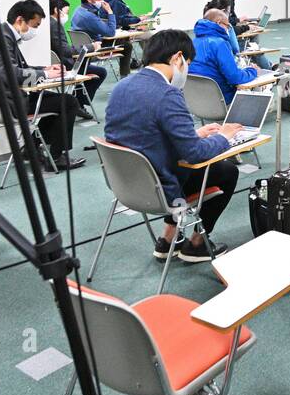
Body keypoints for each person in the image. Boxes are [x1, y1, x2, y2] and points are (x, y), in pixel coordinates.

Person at [104, 29, 244, 262]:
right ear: (177, 58)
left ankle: (168, 239)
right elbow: (196, 154)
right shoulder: (167, 94)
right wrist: (225, 137)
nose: (186, 69)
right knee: (227, 171)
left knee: (185, 165)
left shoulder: (122, 86)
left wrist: (193, 133)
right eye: (187, 63)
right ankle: (197, 244)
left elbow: (141, 132)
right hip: (161, 190)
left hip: (125, 184)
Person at [0, 0, 85, 170]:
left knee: (57, 101)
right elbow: (10, 74)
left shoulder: (4, 35)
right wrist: (46, 75)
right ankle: (56, 157)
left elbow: (20, 69)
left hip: (5, 99)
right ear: (20, 20)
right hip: (11, 103)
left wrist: (45, 68)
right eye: (34, 25)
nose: (34, 30)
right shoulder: (2, 39)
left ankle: (31, 147)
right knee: (68, 102)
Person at [190, 8, 260, 104]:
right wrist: (252, 71)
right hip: (221, 100)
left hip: (197, 102)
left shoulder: (193, 42)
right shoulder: (219, 43)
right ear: (219, 23)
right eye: (227, 26)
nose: (228, 29)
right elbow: (234, 77)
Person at [49, 0, 105, 108]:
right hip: (64, 65)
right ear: (56, 10)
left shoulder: (49, 23)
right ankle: (79, 104)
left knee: (87, 64)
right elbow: (65, 50)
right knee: (101, 72)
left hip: (58, 63)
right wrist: (92, 46)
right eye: (66, 11)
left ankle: (79, 103)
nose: (66, 15)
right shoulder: (55, 25)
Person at [102, 0, 141, 76]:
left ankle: (143, 63)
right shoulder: (115, 1)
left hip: (111, 33)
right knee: (145, 37)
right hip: (113, 35)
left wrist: (136, 18)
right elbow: (120, 20)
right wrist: (137, 20)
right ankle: (148, 63)